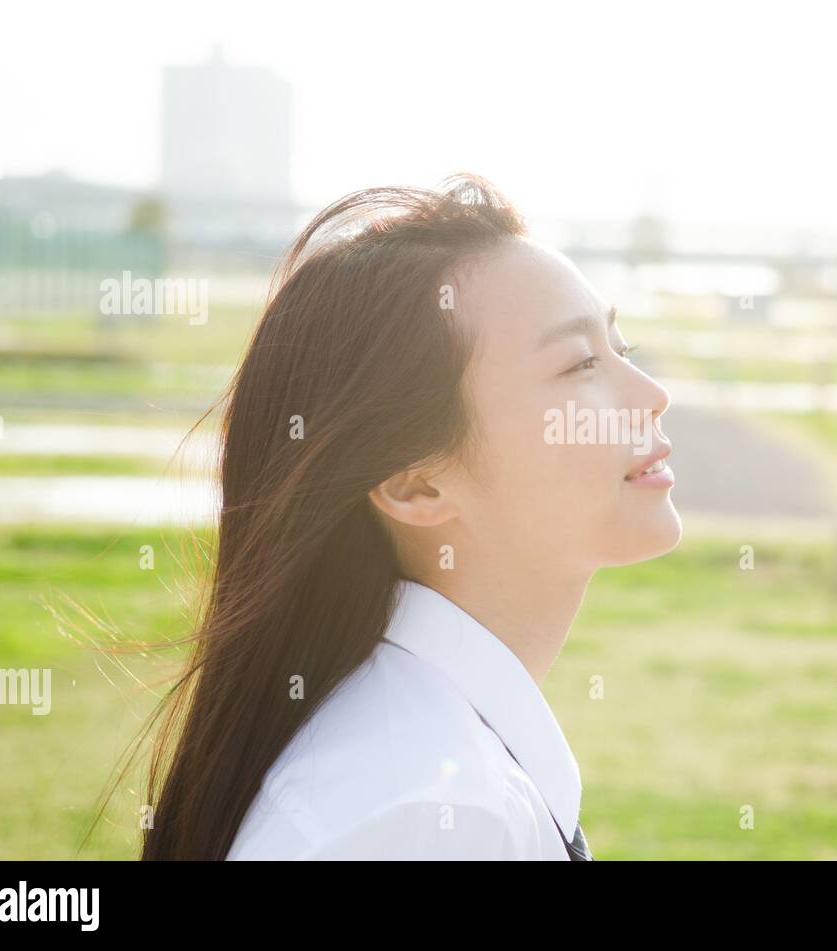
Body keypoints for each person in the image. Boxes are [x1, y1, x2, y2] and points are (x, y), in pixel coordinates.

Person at [135, 174, 681, 859]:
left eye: (620, 350)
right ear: (416, 484)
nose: (651, 395)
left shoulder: (426, 767)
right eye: (578, 365)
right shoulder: (437, 814)